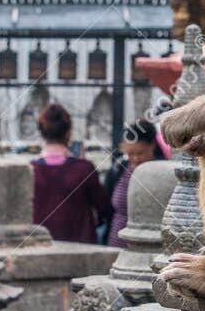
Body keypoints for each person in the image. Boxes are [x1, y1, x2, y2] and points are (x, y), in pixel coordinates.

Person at [30, 102, 110, 244]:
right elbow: (105, 209)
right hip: (81, 249)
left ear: (42, 133)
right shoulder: (84, 169)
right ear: (68, 132)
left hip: (40, 247)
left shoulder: (31, 170)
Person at [105, 121, 166, 248]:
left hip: (149, 247)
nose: (136, 159)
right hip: (116, 244)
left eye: (140, 153)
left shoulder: (163, 174)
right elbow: (107, 210)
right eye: (131, 154)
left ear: (152, 146)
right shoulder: (118, 171)